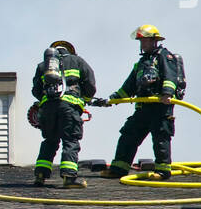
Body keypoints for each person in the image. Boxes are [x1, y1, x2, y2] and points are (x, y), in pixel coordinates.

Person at [100, 24, 186, 181]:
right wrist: (113, 99)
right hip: (143, 108)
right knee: (128, 135)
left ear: (154, 41)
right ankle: (119, 169)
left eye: (144, 41)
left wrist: (167, 93)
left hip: (160, 108)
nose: (142, 44)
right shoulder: (141, 63)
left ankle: (162, 171)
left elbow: (170, 77)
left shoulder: (165, 57)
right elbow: (129, 86)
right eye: (140, 41)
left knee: (160, 139)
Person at [31, 40, 97, 188]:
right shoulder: (77, 61)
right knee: (71, 140)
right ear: (70, 50)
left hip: (47, 109)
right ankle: (69, 177)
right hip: (69, 107)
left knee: (49, 140)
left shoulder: (43, 66)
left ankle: (40, 175)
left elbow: (36, 91)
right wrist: (84, 100)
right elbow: (90, 85)